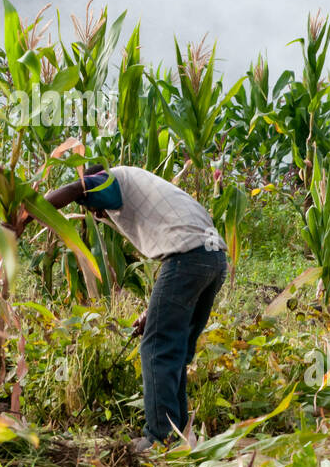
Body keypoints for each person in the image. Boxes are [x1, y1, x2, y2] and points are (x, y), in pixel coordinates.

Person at [35, 164, 228, 451]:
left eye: (93, 208)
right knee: (175, 352)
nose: (97, 215)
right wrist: (153, 312)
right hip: (213, 259)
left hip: (189, 258)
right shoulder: (141, 183)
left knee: (156, 350)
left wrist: (27, 214)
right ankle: (177, 435)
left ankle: (159, 437)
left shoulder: (112, 181)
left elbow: (78, 188)